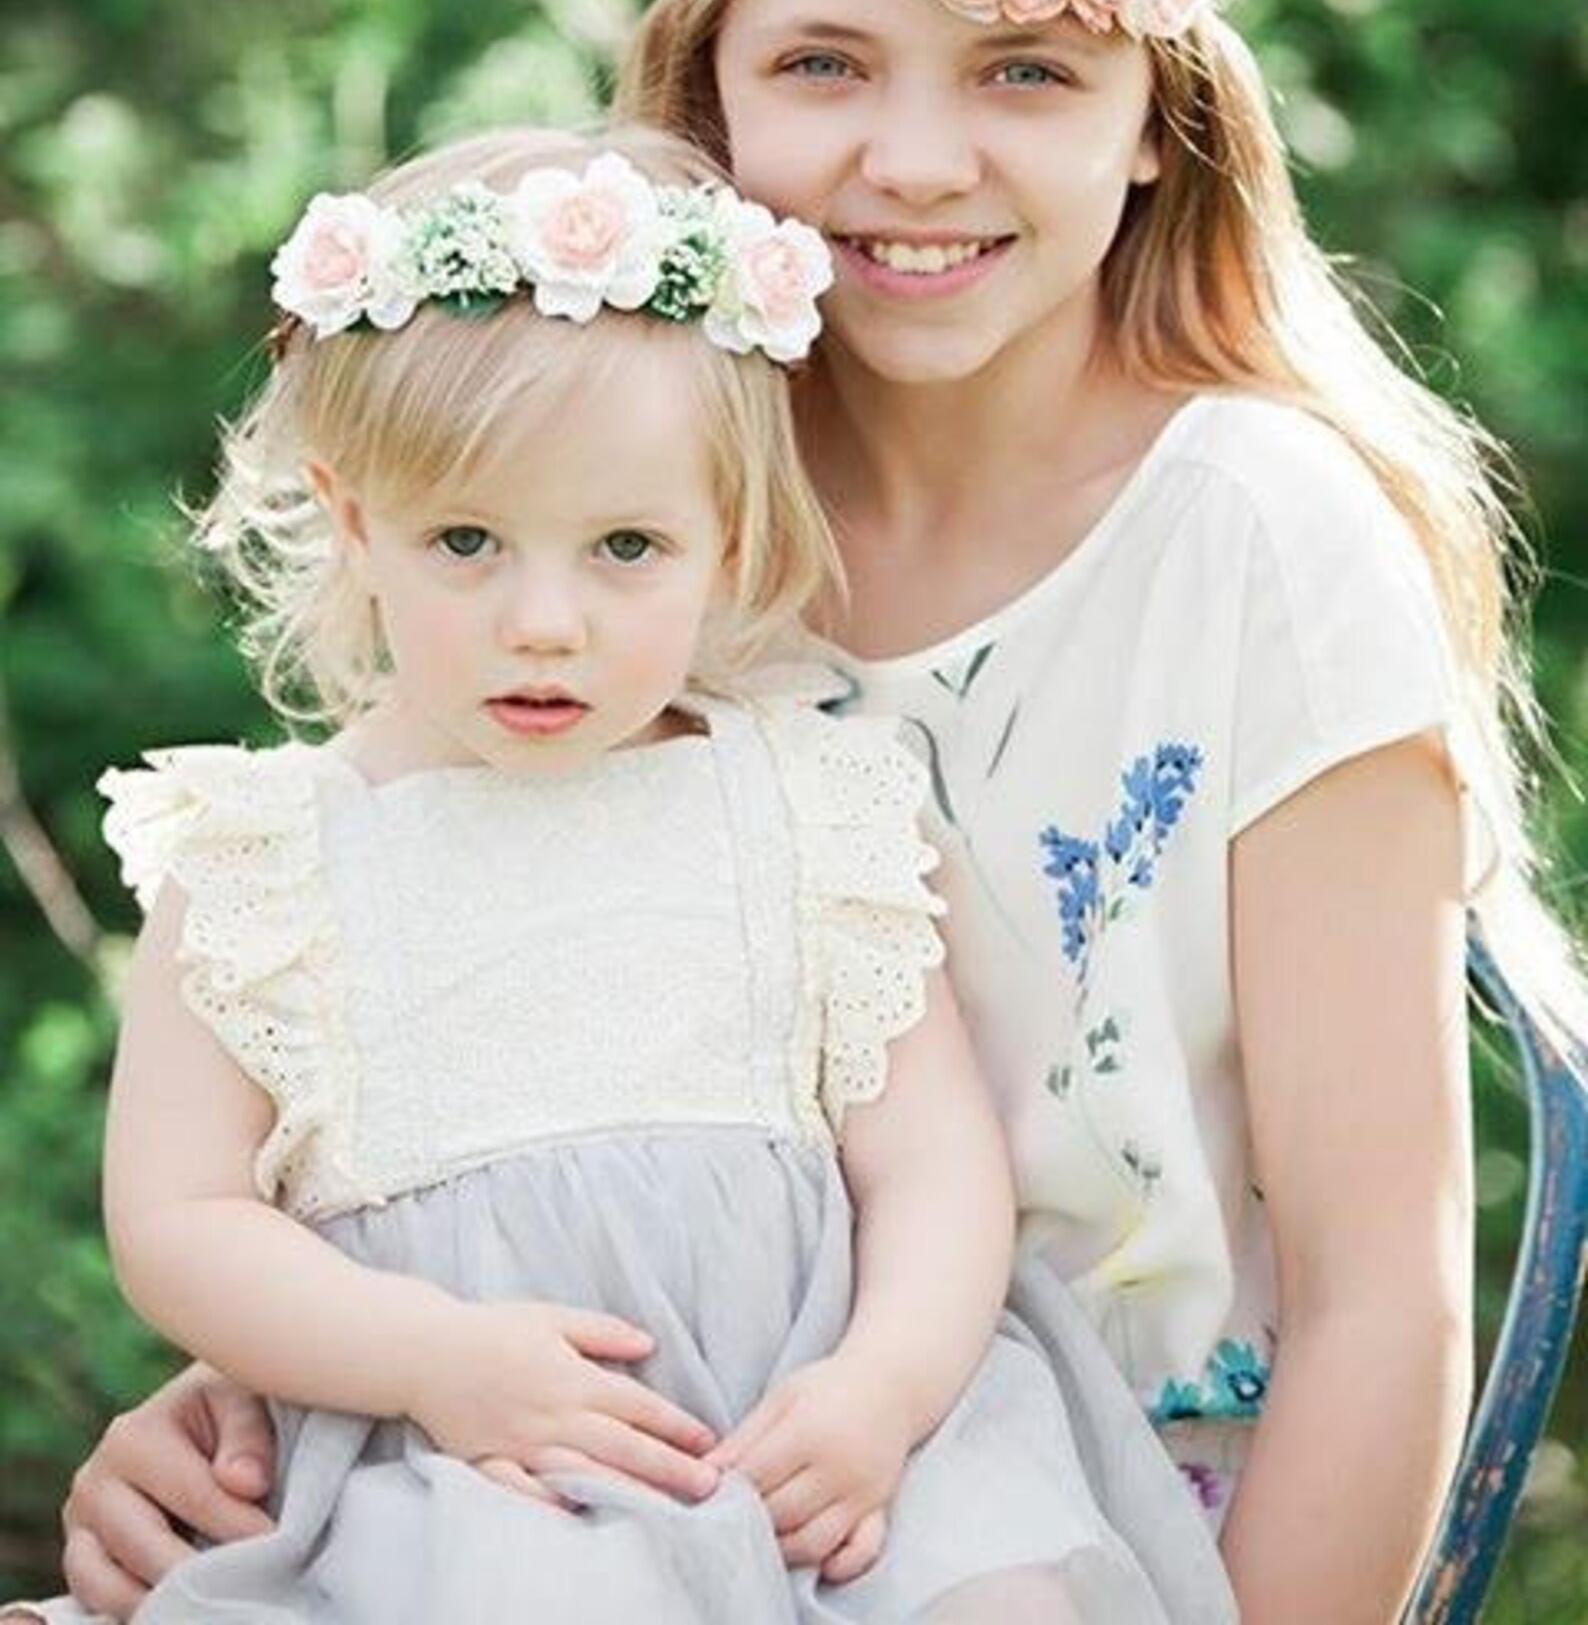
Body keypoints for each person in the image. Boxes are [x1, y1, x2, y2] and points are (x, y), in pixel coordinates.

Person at [41, 0, 1586, 1625]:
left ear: (1151, 118)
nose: (917, 161)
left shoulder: (1257, 544)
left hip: (1051, 1524)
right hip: (618, 1500)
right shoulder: (609, 519)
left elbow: (1383, 1292)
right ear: (710, 92)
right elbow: (491, 1066)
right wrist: (266, 1395)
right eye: (823, 65)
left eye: (1024, 68)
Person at [8, 124, 1240, 1625]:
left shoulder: (808, 809)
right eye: (466, 538)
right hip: (485, 1475)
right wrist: (421, 1356)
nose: (545, 619)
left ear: (727, 538)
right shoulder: (268, 864)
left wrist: (883, 1382)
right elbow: (183, 1217)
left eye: (626, 547)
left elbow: (928, 1161)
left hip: (825, 1434)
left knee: (1002, 1599)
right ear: (352, 523)